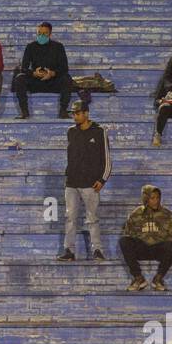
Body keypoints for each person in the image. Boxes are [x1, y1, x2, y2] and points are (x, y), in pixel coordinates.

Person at [57, 100, 112, 261]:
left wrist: (102, 179)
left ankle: (97, 250)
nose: (75, 116)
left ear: (86, 113)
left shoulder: (100, 131)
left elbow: (107, 158)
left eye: (78, 113)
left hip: (90, 183)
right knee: (70, 217)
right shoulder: (71, 132)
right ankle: (69, 251)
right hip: (72, 183)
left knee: (92, 218)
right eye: (73, 113)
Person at [120, 184, 172, 291]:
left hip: (158, 249)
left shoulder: (167, 214)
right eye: (152, 198)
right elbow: (128, 234)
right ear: (146, 199)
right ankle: (139, 279)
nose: (156, 201)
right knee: (124, 241)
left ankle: (158, 279)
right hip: (142, 248)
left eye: (158, 198)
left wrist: (159, 238)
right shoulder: (135, 214)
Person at [13, 21, 71, 119]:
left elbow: (64, 68)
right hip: (36, 81)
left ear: (50, 34)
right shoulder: (30, 47)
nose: (42, 35)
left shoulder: (58, 47)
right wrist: (33, 73)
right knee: (20, 78)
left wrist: (52, 73)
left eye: (45, 33)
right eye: (39, 33)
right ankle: (24, 112)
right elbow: (24, 68)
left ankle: (63, 111)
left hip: (52, 81)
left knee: (67, 79)